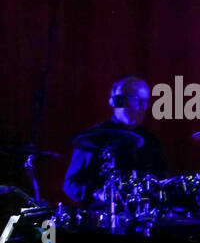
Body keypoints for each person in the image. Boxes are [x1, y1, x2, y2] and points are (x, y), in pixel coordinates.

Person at [64, 75, 167, 203]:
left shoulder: (151, 141)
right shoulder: (93, 138)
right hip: (102, 217)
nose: (143, 108)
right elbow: (71, 184)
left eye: (145, 102)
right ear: (118, 101)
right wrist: (96, 194)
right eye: (138, 101)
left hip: (143, 216)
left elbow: (162, 182)